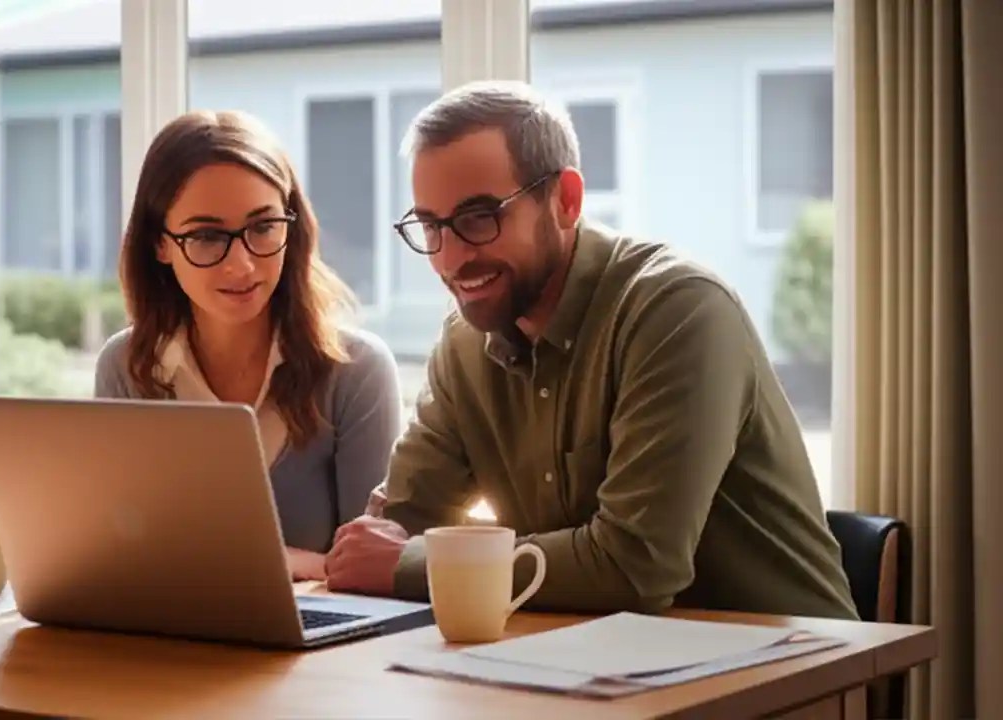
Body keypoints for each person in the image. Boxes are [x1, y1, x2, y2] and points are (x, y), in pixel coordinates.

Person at [325, 81, 858, 620]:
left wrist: (412, 565)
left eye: (479, 218)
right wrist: (382, 551)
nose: (451, 258)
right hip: (597, 665)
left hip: (796, 673)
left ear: (566, 201)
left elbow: (636, 566)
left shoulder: (678, 310)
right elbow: (393, 528)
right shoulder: (465, 343)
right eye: (430, 226)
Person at [95, 110, 403, 581]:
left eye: (263, 227)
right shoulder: (126, 367)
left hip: (318, 648)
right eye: (206, 236)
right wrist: (294, 562)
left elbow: (372, 570)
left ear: (291, 227)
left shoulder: (356, 372)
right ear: (161, 245)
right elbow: (118, 555)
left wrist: (286, 565)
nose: (241, 265)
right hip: (163, 642)